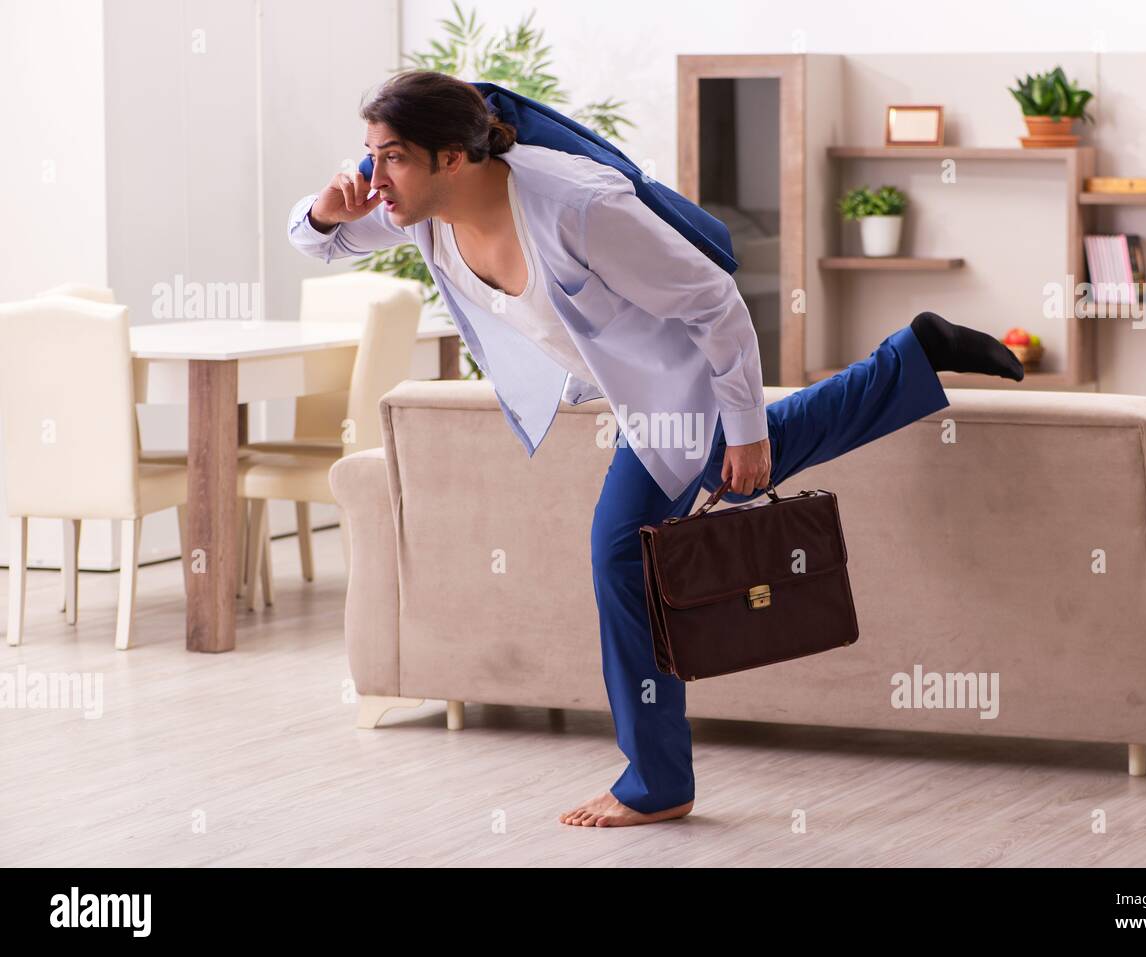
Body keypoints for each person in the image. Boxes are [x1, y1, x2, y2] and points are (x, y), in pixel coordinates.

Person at [288, 71, 1023, 829]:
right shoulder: (418, 210)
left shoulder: (577, 206)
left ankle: (656, 780)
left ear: (452, 157)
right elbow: (319, 242)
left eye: (393, 156)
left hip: (683, 383)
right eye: (370, 155)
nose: (376, 176)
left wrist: (742, 424)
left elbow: (716, 302)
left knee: (619, 551)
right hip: (642, 396)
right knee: (729, 479)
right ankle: (913, 357)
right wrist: (323, 207)